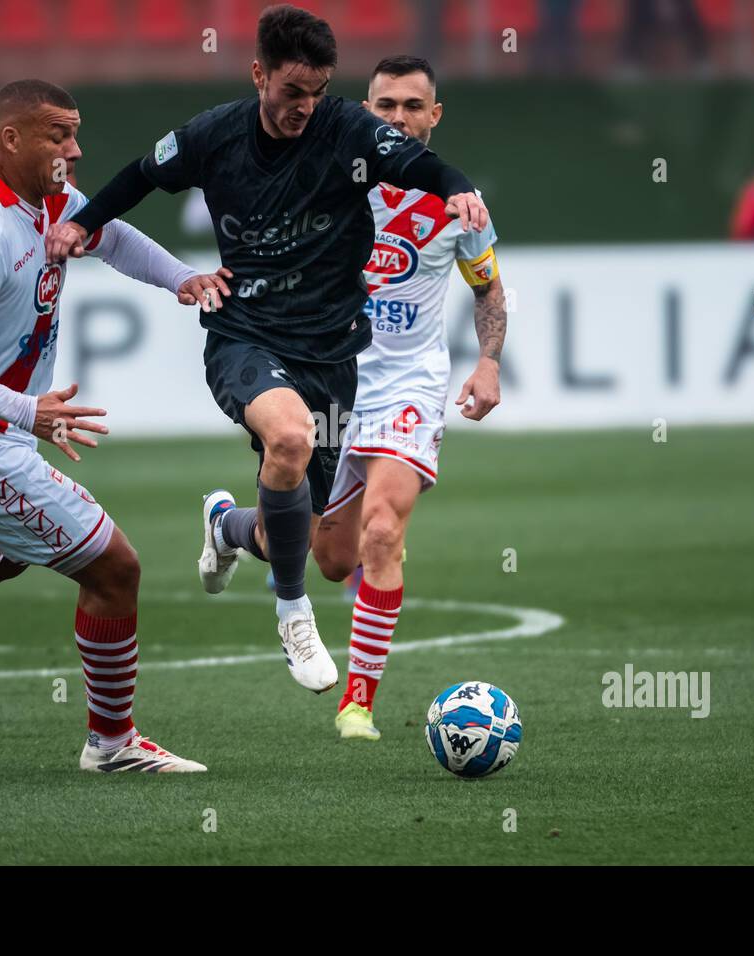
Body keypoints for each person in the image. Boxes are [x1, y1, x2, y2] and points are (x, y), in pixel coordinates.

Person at [45, 5, 490, 696]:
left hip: (333, 355)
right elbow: (139, 174)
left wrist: (457, 187)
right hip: (244, 335)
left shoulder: (347, 128)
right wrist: (83, 223)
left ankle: (228, 526)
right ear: (259, 75)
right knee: (288, 440)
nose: (304, 108)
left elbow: (414, 160)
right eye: (290, 92)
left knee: (326, 551)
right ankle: (292, 613)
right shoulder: (214, 135)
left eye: (315, 92)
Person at [0, 79, 230, 773]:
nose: (75, 148)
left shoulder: (52, 201)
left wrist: (182, 278)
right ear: (11, 140)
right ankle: (113, 744)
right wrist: (27, 412)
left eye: (75, 131)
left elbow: (111, 235)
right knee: (116, 568)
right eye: (58, 136)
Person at [310, 56, 507, 741]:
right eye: (385, 105)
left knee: (383, 531)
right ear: (365, 110)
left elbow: (486, 290)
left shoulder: (460, 204)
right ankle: (231, 524)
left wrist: (486, 361)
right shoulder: (333, 179)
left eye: (411, 106)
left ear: (435, 114)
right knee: (331, 559)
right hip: (331, 379)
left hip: (409, 386)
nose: (397, 117)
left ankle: (357, 704)